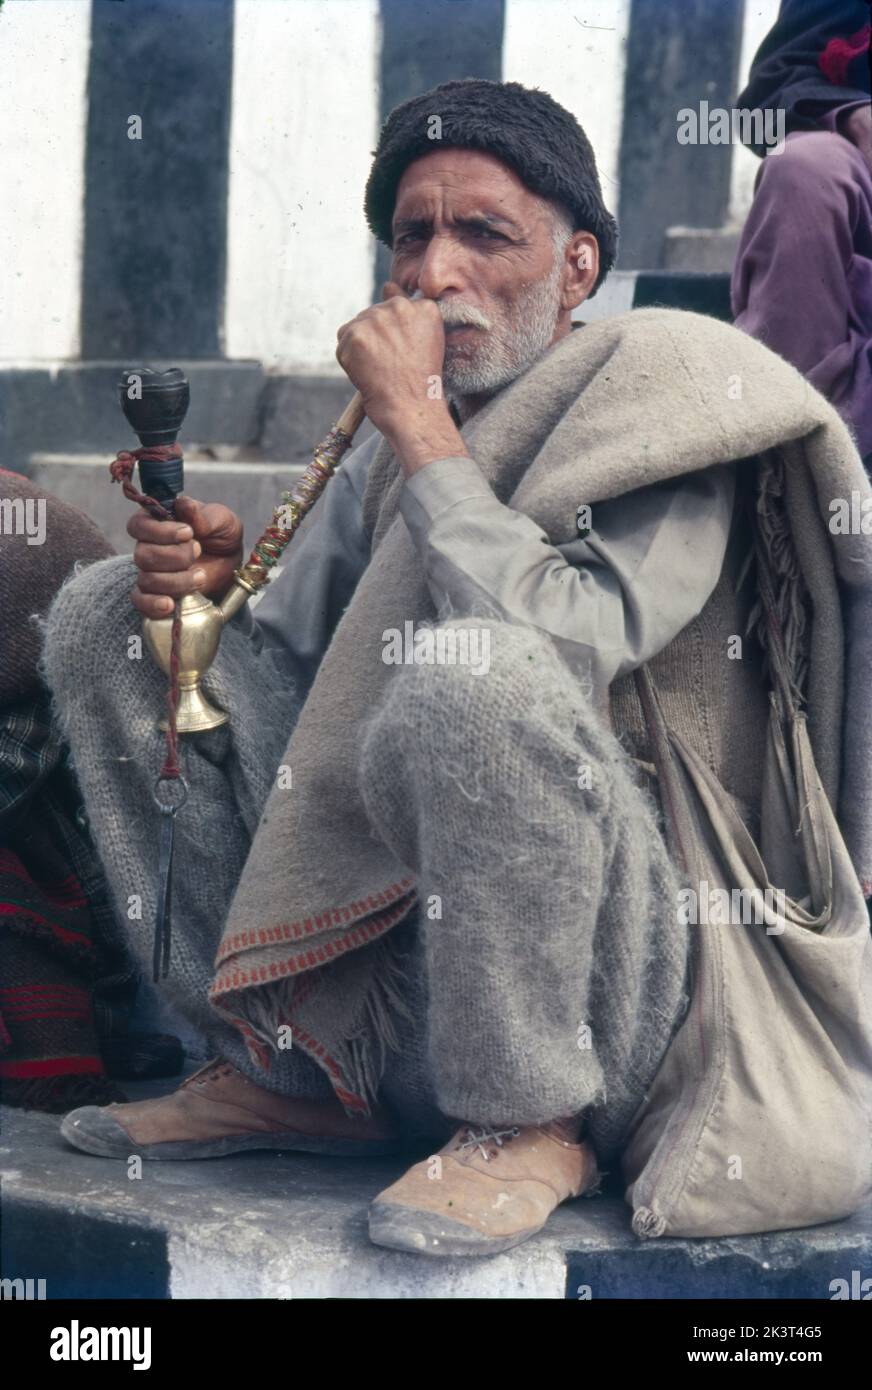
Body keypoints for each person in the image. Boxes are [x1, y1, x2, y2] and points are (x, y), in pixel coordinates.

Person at [42, 79, 872, 1258]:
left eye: (484, 235)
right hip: (405, 983)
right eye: (413, 238)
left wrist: (425, 433)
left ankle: (527, 1124)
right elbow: (313, 692)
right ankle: (288, 1068)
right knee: (104, 621)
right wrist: (218, 597)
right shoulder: (399, 437)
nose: (437, 273)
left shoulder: (668, 396)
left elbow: (565, 641)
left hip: (625, 997)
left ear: (576, 267)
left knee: (474, 671)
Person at [731, 0, 872, 469]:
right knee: (805, 169)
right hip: (859, 171)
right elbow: (767, 94)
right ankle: (788, 457)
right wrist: (852, 113)